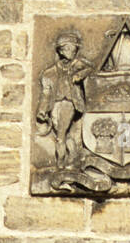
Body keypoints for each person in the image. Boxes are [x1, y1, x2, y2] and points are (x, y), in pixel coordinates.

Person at [35, 29, 92, 168]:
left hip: (70, 102)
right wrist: (42, 110)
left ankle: (60, 165)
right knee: (64, 135)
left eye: (73, 49)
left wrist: (79, 75)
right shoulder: (50, 72)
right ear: (61, 51)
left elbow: (90, 68)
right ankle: (73, 158)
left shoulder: (78, 65)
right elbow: (46, 93)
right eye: (67, 48)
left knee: (60, 135)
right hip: (55, 104)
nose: (71, 51)